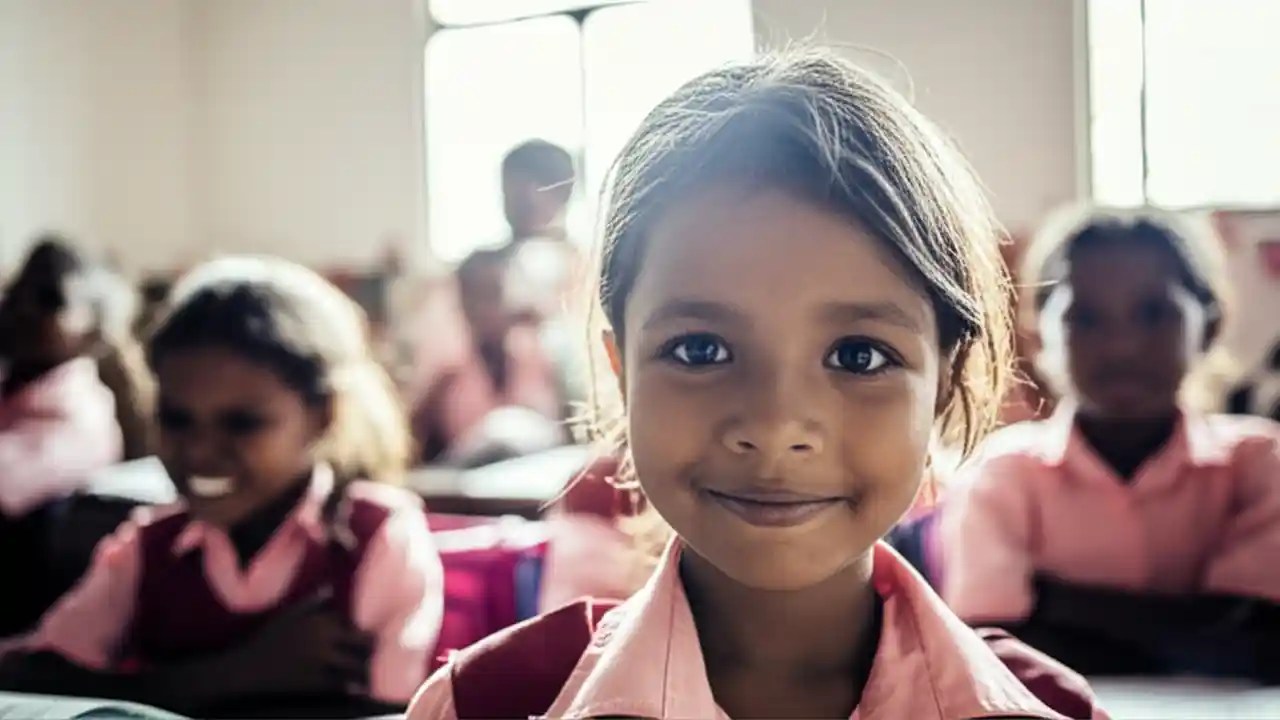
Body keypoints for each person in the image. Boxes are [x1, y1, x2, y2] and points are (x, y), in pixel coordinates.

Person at [407, 50, 1107, 720]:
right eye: (700, 349)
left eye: (859, 356)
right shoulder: (488, 703)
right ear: (621, 375)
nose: (775, 425)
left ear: (944, 383)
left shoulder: (1047, 710)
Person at [0, 257, 444, 716]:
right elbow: (36, 673)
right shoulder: (150, 544)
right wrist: (237, 672)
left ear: (322, 417)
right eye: (177, 420)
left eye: (241, 424)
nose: (199, 452)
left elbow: (390, 713)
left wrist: (168, 690)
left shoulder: (378, 539)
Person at [942, 207, 1280, 679]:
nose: (1122, 347)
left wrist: (1055, 602)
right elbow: (993, 653)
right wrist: (1193, 625)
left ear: (1209, 325)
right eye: (1086, 318)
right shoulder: (1002, 473)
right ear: (1042, 338)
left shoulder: (1262, 462)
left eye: (1153, 313)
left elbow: (1260, 645)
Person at [0, 237, 153, 636]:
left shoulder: (80, 417)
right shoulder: (14, 393)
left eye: (51, 301)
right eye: (18, 293)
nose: (24, 309)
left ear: (93, 330)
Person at [410, 249, 562, 464]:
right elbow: (416, 448)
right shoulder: (445, 369)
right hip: (464, 491)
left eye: (494, 294)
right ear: (461, 301)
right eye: (475, 295)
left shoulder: (536, 358)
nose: (486, 308)